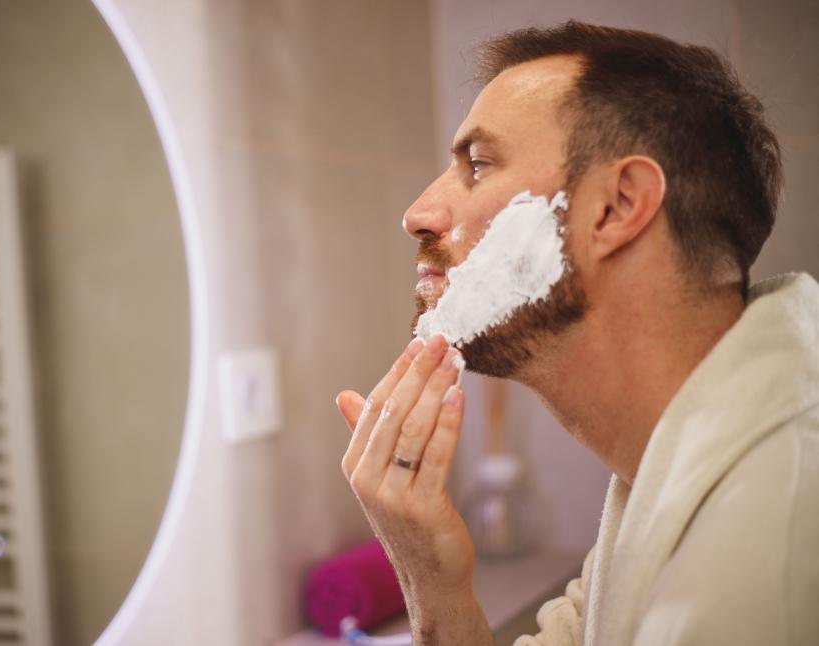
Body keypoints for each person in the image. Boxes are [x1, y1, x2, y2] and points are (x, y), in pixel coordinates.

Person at [335, 20, 819, 646]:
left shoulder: (767, 549)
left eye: (478, 165)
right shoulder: (662, 473)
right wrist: (432, 585)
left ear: (617, 206)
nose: (418, 214)